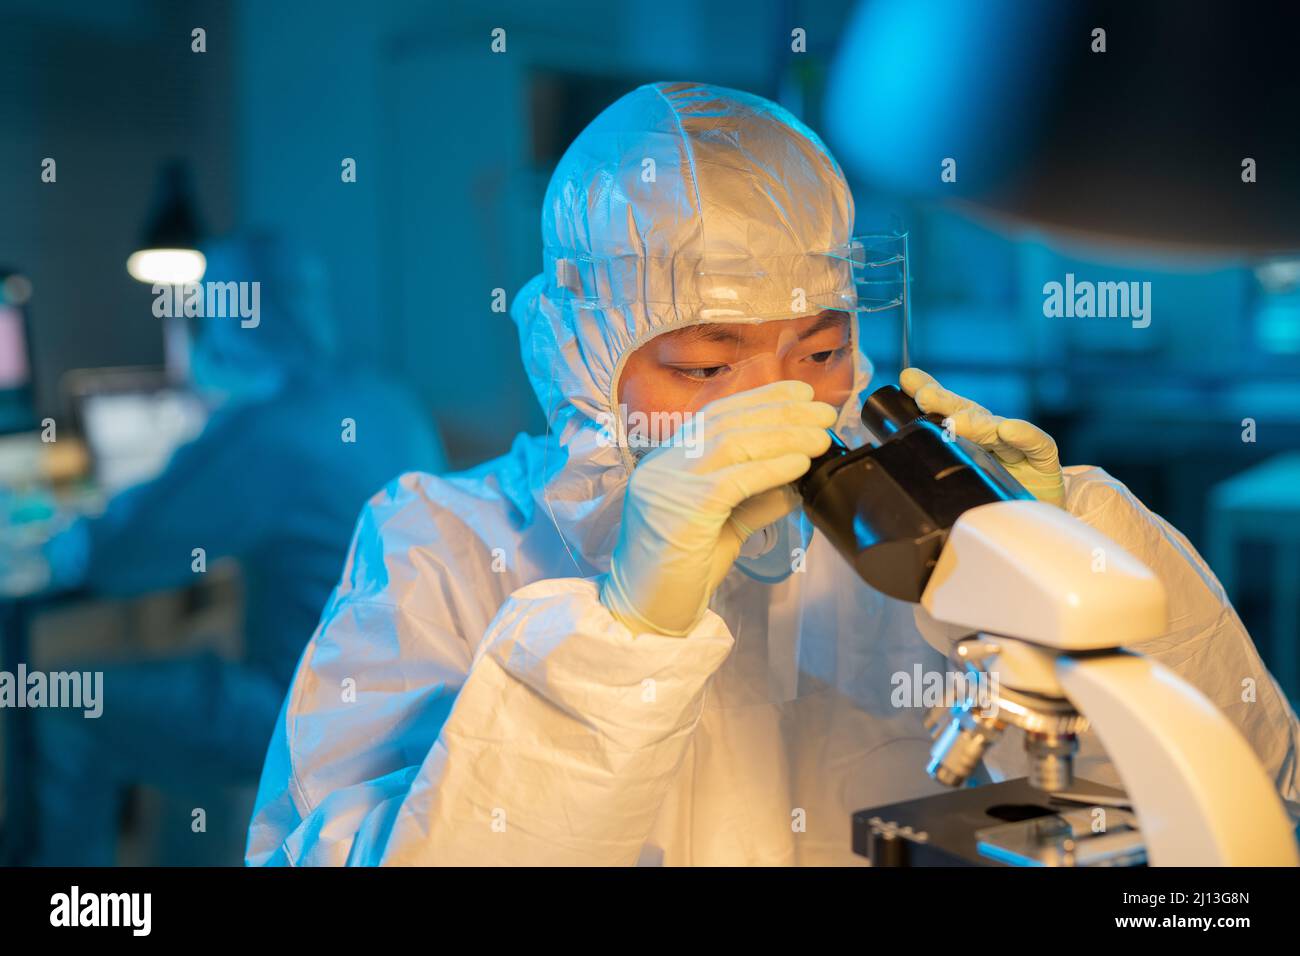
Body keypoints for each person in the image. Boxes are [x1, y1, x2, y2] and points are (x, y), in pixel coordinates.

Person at [246, 83, 1300, 866]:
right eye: (706, 366)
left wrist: (1068, 560)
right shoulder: (440, 549)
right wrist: (621, 637)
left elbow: (1248, 802)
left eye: (819, 352)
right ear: (579, 353)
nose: (781, 410)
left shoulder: (922, 545)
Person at [30, 233, 445, 865]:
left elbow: (120, 555)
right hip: (409, 714)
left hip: (303, 718)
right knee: (186, 681)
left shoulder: (267, 429)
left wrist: (58, 536)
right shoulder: (387, 400)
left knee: (60, 705)